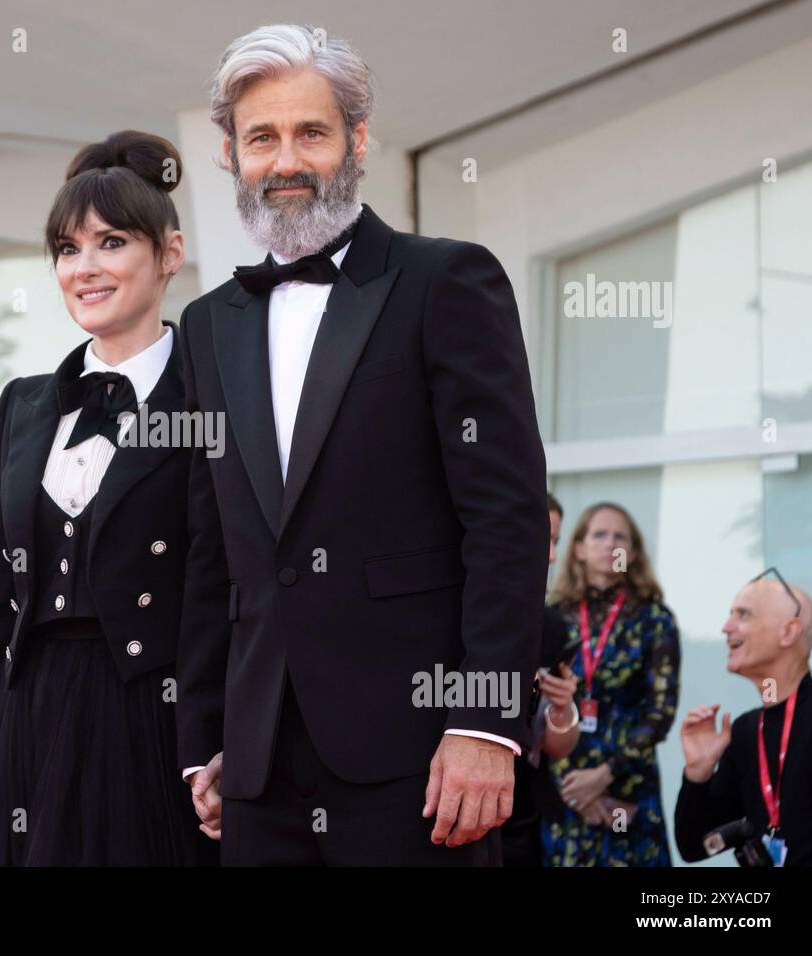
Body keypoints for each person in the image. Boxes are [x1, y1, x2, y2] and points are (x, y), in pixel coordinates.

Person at [175, 24, 548, 865]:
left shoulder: (447, 281)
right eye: (261, 137)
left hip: (420, 760)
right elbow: (215, 553)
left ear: (358, 140)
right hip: (258, 769)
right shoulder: (206, 327)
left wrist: (485, 722)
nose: (287, 160)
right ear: (229, 155)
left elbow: (507, 520)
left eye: (312, 131)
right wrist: (207, 739)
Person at [0, 131, 221, 867]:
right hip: (27, 721)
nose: (84, 269)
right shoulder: (23, 406)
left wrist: (213, 745)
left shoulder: (211, 395)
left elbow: (221, 592)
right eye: (66, 248)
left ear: (169, 254)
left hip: (152, 723)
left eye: (111, 243)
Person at [543, 502, 680, 866]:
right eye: (599, 534)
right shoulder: (553, 617)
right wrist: (577, 790)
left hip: (629, 785)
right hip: (564, 786)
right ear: (579, 549)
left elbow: (660, 713)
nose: (610, 544)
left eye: (620, 536)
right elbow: (535, 709)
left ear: (632, 553)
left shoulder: (654, 619)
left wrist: (604, 776)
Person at [675, 572, 812, 866]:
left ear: (788, 632)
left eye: (743, 615)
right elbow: (696, 847)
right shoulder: (745, 731)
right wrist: (698, 774)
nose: (726, 628)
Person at [501, 493, 580, 865]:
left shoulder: (552, 627)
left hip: (520, 817)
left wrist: (562, 708)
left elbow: (557, 747)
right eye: (542, 538)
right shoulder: (448, 614)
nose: (551, 555)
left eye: (556, 541)